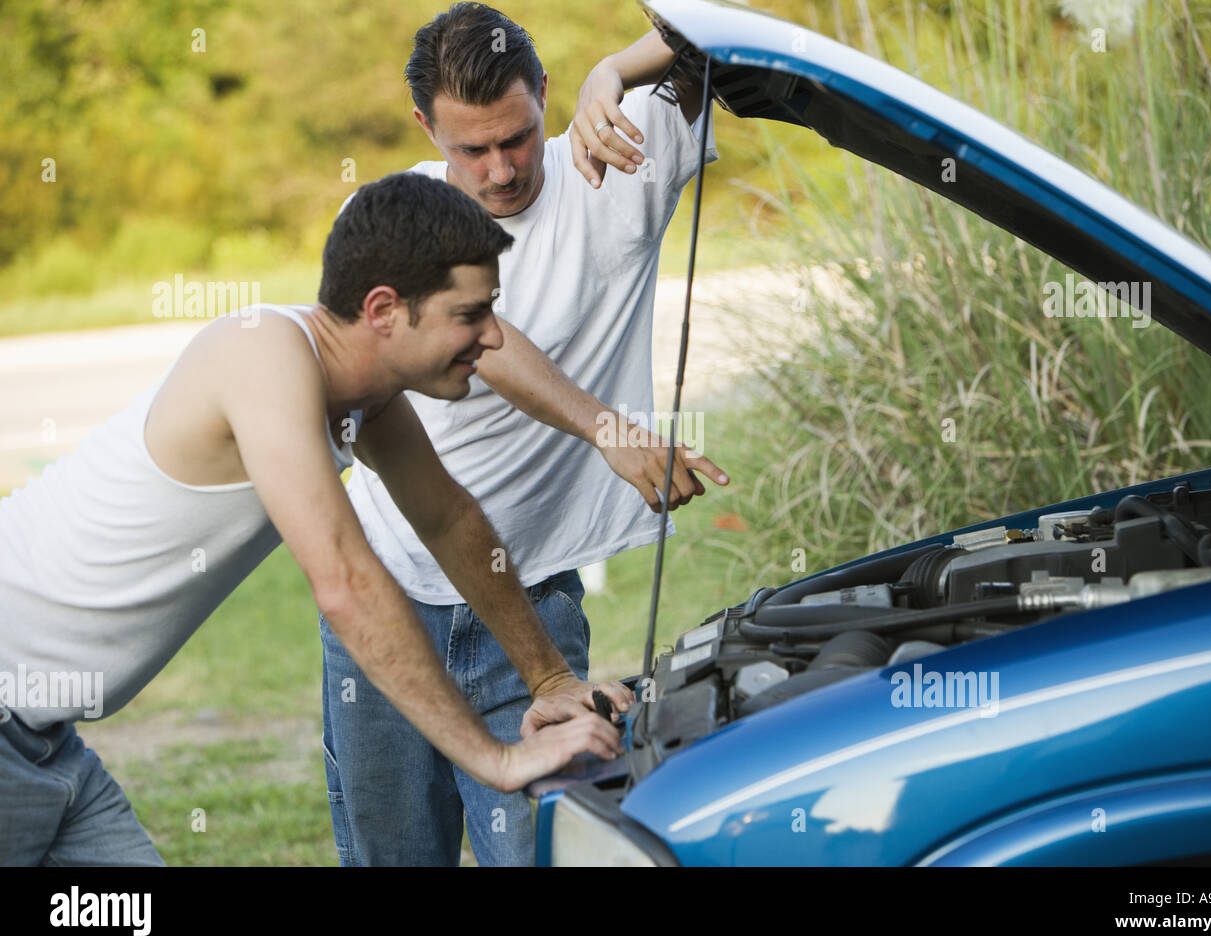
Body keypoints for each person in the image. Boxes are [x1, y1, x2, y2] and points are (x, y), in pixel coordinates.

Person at [0, 171, 635, 866]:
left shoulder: (367, 399)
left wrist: (550, 682)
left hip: (44, 744)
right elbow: (345, 582)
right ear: (385, 309)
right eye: (469, 314)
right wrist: (498, 760)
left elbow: (450, 521)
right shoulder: (261, 353)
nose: (491, 336)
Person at [322, 2, 723, 866]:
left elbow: (715, 29)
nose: (501, 170)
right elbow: (486, 338)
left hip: (532, 609)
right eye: (471, 149)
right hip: (386, 601)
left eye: (517, 136)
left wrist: (616, 69)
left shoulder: (616, 157)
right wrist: (606, 426)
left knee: (535, 856)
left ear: (544, 94)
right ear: (425, 128)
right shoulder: (391, 214)